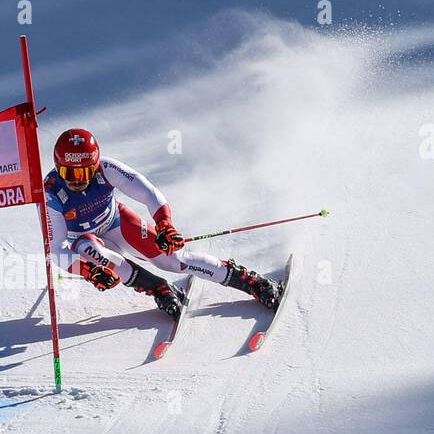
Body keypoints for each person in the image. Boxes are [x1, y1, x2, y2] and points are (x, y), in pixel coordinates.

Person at [44, 128, 283, 319]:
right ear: (57, 166)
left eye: (83, 173)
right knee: (99, 256)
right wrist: (86, 271)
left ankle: (252, 282)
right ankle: (157, 287)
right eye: (68, 172)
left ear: (94, 166)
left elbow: (148, 192)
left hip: (115, 223)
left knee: (173, 260)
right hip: (84, 243)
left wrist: (164, 225)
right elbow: (55, 249)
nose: (76, 181)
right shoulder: (51, 193)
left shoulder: (107, 168)